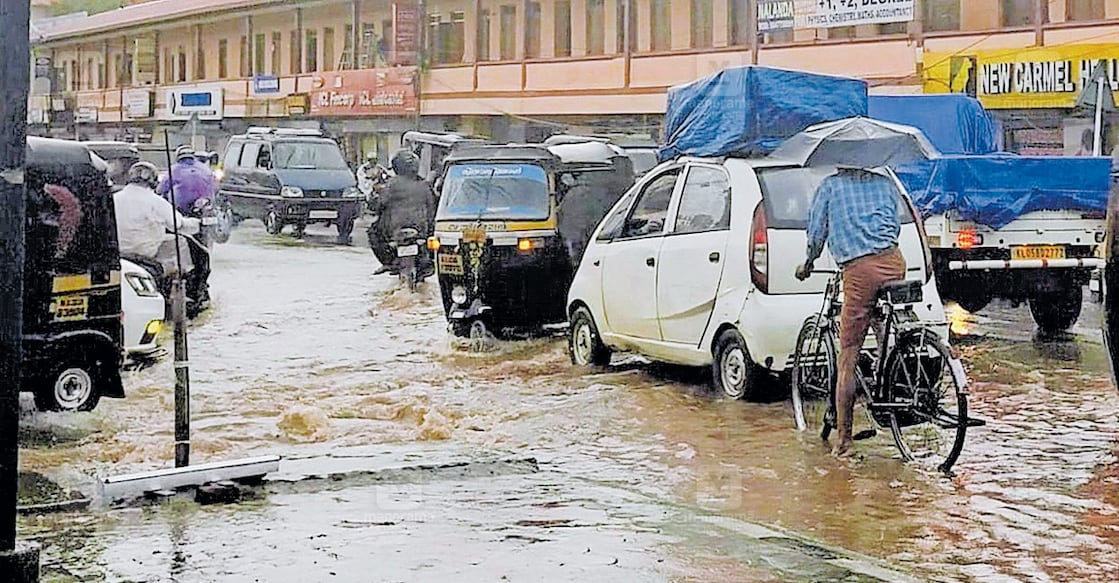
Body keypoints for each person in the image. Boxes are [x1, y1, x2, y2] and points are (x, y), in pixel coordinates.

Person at [795, 167, 906, 458]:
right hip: (894, 263)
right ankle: (887, 371)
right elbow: (894, 225)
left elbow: (817, 233)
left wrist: (807, 263)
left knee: (848, 355)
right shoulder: (885, 182)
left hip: (859, 270)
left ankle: (843, 443)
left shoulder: (831, 186)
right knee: (881, 320)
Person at [114, 161, 200, 280]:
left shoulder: (114, 198)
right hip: (144, 254)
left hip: (117, 253)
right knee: (179, 241)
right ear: (153, 181)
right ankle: (185, 281)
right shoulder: (155, 201)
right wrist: (197, 223)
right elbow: (178, 224)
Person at [371, 150, 436, 275]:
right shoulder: (424, 184)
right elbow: (432, 208)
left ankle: (388, 263)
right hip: (421, 229)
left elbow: (380, 204)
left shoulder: (392, 184)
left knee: (372, 232)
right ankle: (428, 262)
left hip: (395, 230)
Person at [158, 146, 216, 214]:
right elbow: (212, 184)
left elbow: (163, 187)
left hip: (180, 205)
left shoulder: (174, 169)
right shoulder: (205, 168)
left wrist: (158, 191)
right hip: (205, 202)